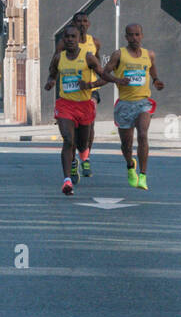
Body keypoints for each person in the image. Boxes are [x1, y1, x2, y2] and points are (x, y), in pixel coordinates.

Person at [45, 24, 116, 196]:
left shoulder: (88, 57)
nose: (69, 40)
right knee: (68, 140)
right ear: (64, 39)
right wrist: (51, 81)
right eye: (67, 37)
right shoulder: (58, 58)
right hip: (65, 104)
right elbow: (52, 73)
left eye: (73, 37)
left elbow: (104, 77)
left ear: (78, 39)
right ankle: (67, 180)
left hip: (84, 105)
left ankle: (78, 157)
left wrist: (91, 85)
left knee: (82, 144)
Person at [100, 24, 164, 190]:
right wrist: (117, 80)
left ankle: (143, 175)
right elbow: (105, 73)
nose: (134, 38)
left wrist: (156, 81)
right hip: (124, 105)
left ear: (142, 36)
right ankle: (130, 165)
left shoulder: (149, 55)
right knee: (126, 145)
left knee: (143, 134)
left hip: (143, 102)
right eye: (131, 35)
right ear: (126, 37)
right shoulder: (119, 54)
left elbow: (152, 72)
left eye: (137, 34)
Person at [70, 14, 101, 180]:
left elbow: (98, 66)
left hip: (90, 88)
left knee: (89, 123)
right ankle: (73, 159)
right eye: (78, 21)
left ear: (88, 24)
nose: (82, 24)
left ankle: (85, 156)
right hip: (71, 90)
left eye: (84, 21)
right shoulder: (66, 42)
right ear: (73, 24)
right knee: (73, 129)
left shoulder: (94, 42)